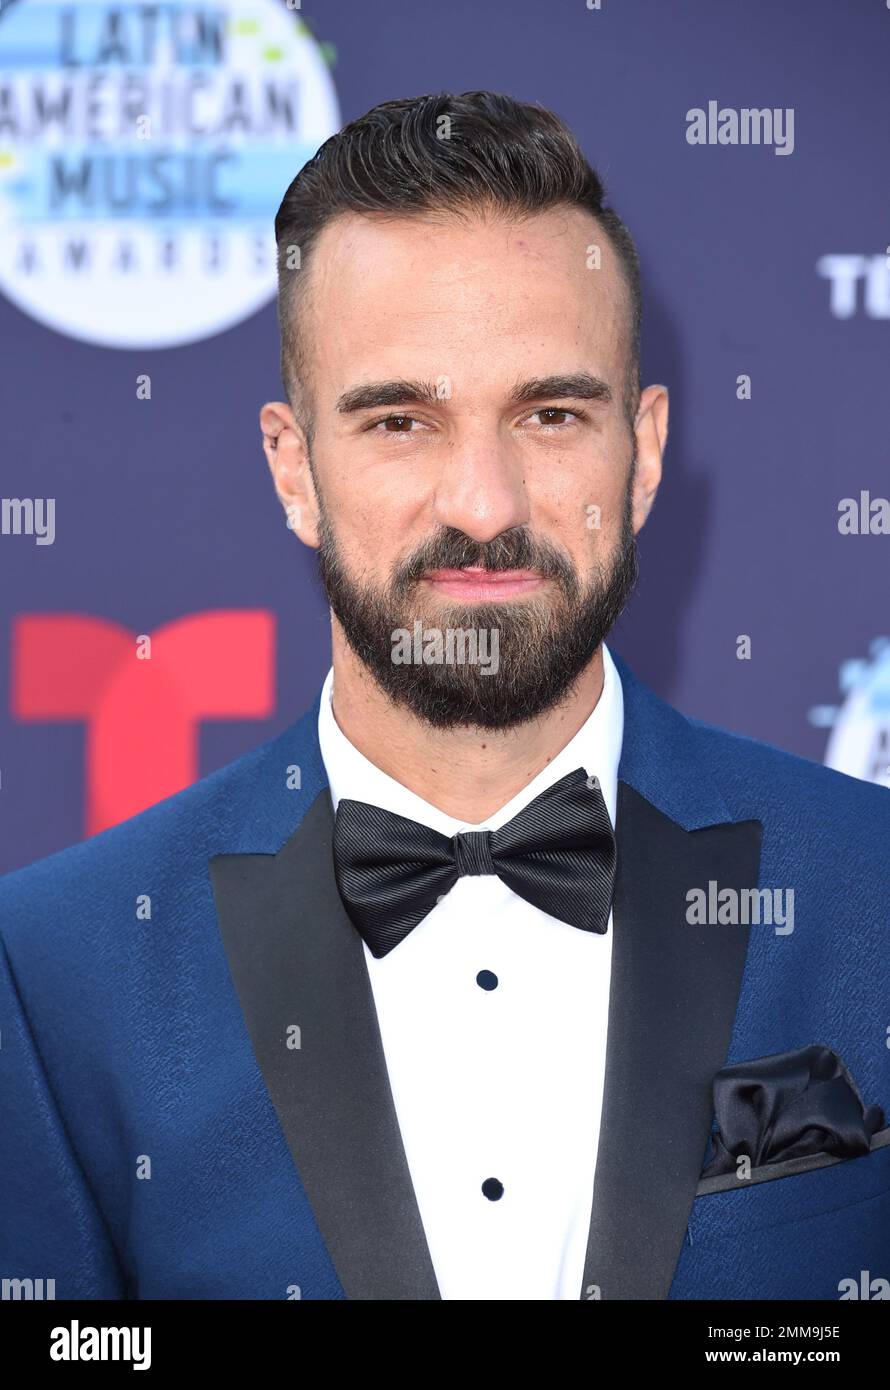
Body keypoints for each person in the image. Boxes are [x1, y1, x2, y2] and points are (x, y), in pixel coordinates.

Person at [1, 91, 887, 1302]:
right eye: (400, 420)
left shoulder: (869, 889)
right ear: (291, 467)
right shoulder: (56, 972)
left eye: (551, 412)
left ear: (644, 452)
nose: (480, 502)